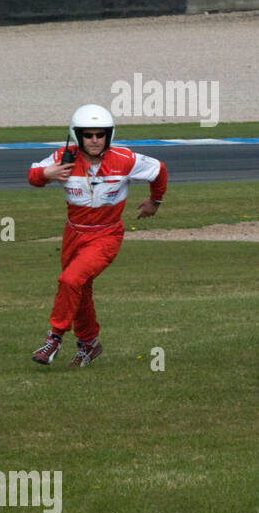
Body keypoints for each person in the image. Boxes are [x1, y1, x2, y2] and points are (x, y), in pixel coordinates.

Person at [28, 105, 168, 367]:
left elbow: (159, 169)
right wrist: (48, 174)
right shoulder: (63, 158)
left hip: (106, 236)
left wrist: (155, 201)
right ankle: (89, 344)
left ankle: (54, 338)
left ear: (109, 135)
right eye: (88, 135)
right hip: (73, 234)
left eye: (100, 135)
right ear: (77, 135)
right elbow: (33, 175)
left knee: (70, 280)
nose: (95, 140)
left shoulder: (125, 159)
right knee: (80, 289)